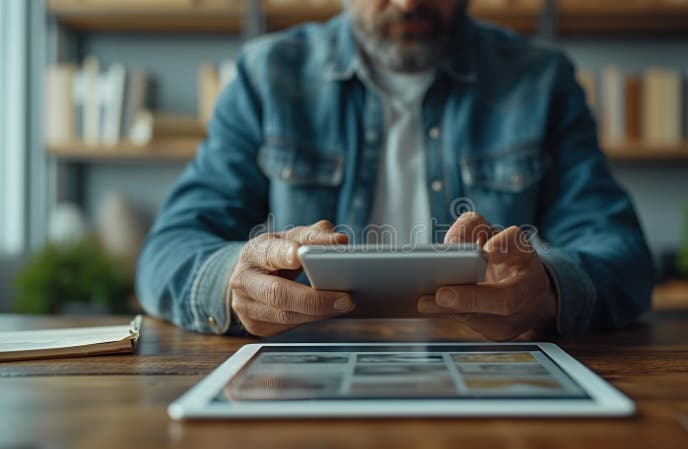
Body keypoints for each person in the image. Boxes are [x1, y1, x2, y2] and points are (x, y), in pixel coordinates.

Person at [136, 0, 653, 340]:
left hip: (494, 377)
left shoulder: (542, 80)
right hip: (302, 377)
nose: (409, 3)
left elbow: (621, 253)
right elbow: (170, 247)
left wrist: (548, 290)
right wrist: (233, 280)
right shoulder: (266, 76)